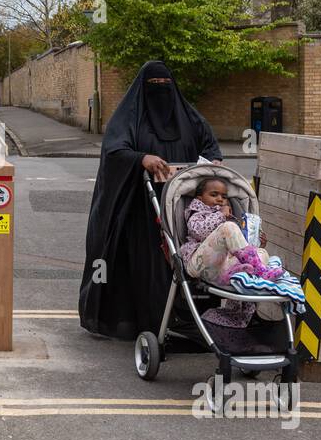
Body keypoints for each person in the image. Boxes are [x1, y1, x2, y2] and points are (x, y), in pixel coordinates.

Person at [78, 61, 224, 340]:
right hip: (142, 207)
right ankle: (148, 322)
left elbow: (210, 144)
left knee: (188, 261)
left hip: (185, 208)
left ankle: (189, 319)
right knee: (147, 265)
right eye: (154, 86)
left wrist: (214, 159)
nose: (161, 92)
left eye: (165, 86)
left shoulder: (189, 117)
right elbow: (114, 150)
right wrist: (141, 159)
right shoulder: (129, 118)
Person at [181, 177, 290, 328]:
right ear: (200, 198)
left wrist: (258, 242)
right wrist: (221, 215)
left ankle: (238, 306)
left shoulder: (230, 217)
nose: (220, 199)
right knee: (228, 229)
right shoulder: (197, 212)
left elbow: (240, 247)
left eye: (224, 196)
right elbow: (199, 231)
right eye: (214, 195)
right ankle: (260, 272)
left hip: (223, 268)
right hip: (199, 264)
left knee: (261, 252)